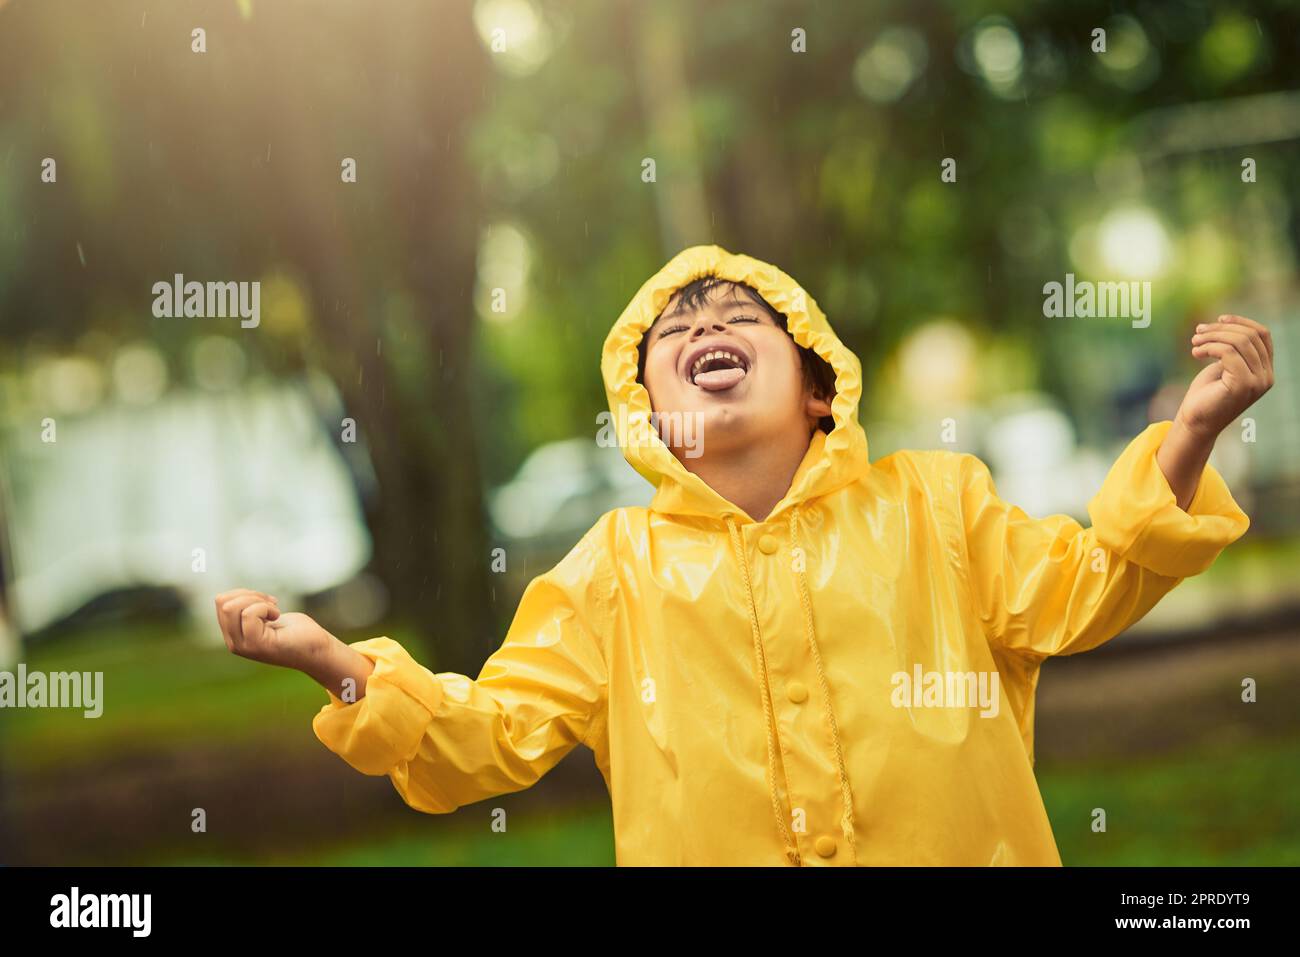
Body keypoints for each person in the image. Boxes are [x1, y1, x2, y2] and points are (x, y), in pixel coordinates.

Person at [214, 245, 1272, 865]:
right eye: (669, 338)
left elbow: (1088, 586)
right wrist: (334, 664)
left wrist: (1189, 434)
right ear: (648, 418)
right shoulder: (609, 573)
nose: (699, 330)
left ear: (819, 388)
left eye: (736, 318)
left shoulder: (934, 508)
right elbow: (481, 742)